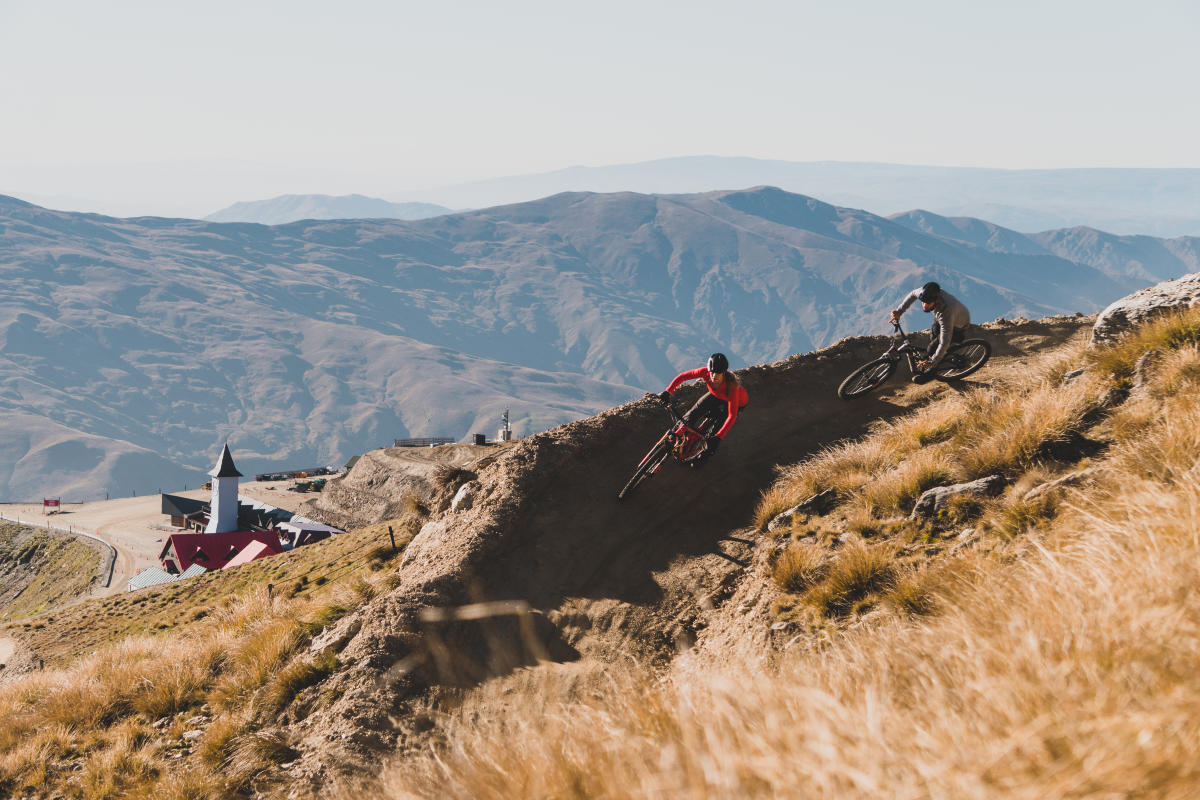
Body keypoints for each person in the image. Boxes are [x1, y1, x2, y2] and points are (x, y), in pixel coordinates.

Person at [656, 353, 749, 467]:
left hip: (737, 402)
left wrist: (718, 437)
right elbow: (683, 376)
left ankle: (703, 457)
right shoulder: (705, 372)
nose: (714, 375)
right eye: (712, 372)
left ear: (723, 372)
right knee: (691, 414)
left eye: (718, 373)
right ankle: (674, 438)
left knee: (714, 435)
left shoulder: (732, 388)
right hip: (716, 395)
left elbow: (732, 415)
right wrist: (668, 391)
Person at [890, 281, 970, 380]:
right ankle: (934, 358)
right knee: (933, 335)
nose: (924, 306)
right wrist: (899, 311)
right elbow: (912, 295)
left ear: (936, 301)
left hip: (958, 325)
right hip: (943, 318)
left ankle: (930, 373)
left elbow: (945, 339)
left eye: (928, 303)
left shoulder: (946, 310)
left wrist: (933, 361)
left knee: (932, 347)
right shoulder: (925, 293)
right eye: (923, 302)